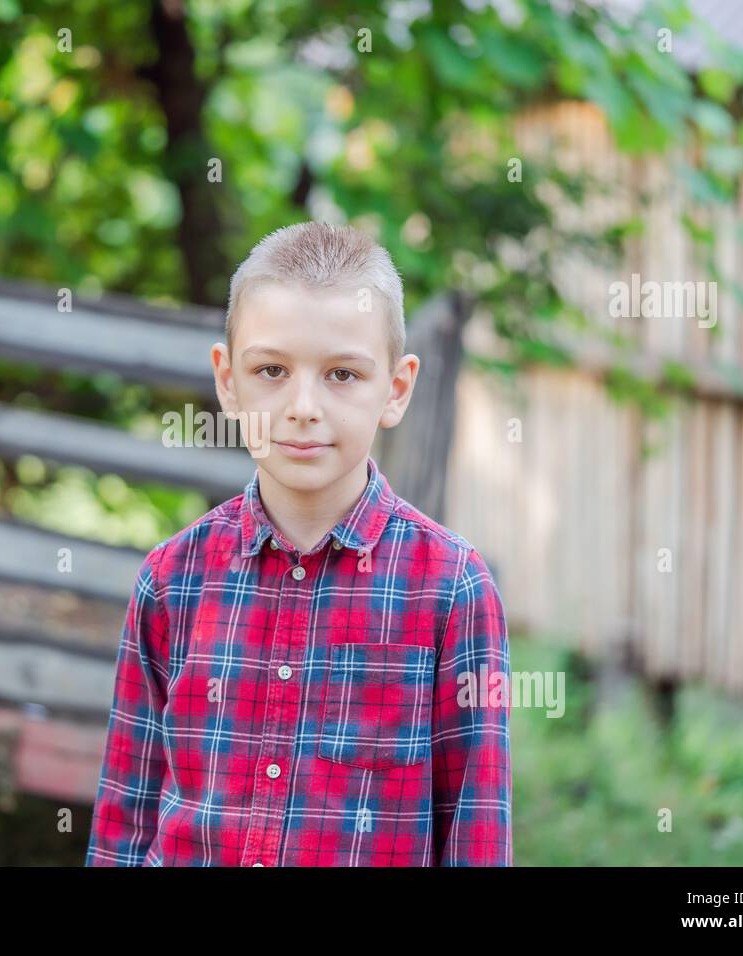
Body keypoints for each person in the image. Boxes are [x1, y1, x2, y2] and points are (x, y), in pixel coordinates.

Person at [85, 221, 511, 866]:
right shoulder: (172, 580)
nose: (303, 406)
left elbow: (476, 834)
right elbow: (125, 816)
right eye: (272, 370)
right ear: (228, 381)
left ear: (394, 389)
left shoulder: (452, 589)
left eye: (342, 374)